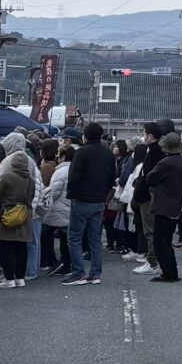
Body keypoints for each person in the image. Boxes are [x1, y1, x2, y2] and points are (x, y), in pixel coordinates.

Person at [65, 122, 117, 285]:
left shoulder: (81, 153)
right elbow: (111, 177)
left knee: (74, 237)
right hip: (99, 200)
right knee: (95, 239)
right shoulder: (108, 154)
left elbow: (73, 177)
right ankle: (95, 274)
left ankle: (78, 272)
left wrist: (71, 195)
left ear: (85, 136)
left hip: (81, 199)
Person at [0, 130, 38, 288]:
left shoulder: (7, 176)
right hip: (25, 213)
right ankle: (20, 278)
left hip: (8, 213)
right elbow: (32, 195)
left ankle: (8, 278)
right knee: (21, 247)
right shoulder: (30, 179)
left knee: (5, 245)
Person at [141, 132, 182, 282]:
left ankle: (168, 273)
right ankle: (171, 271)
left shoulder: (166, 162)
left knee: (161, 242)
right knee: (166, 241)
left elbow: (150, 178)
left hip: (164, 205)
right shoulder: (179, 160)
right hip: (173, 205)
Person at [35, 141, 72, 278]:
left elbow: (53, 191)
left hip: (57, 209)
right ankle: (63, 263)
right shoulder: (71, 169)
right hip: (67, 207)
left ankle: (54, 262)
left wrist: (44, 201)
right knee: (64, 237)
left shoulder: (59, 171)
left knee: (46, 234)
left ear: (62, 157)